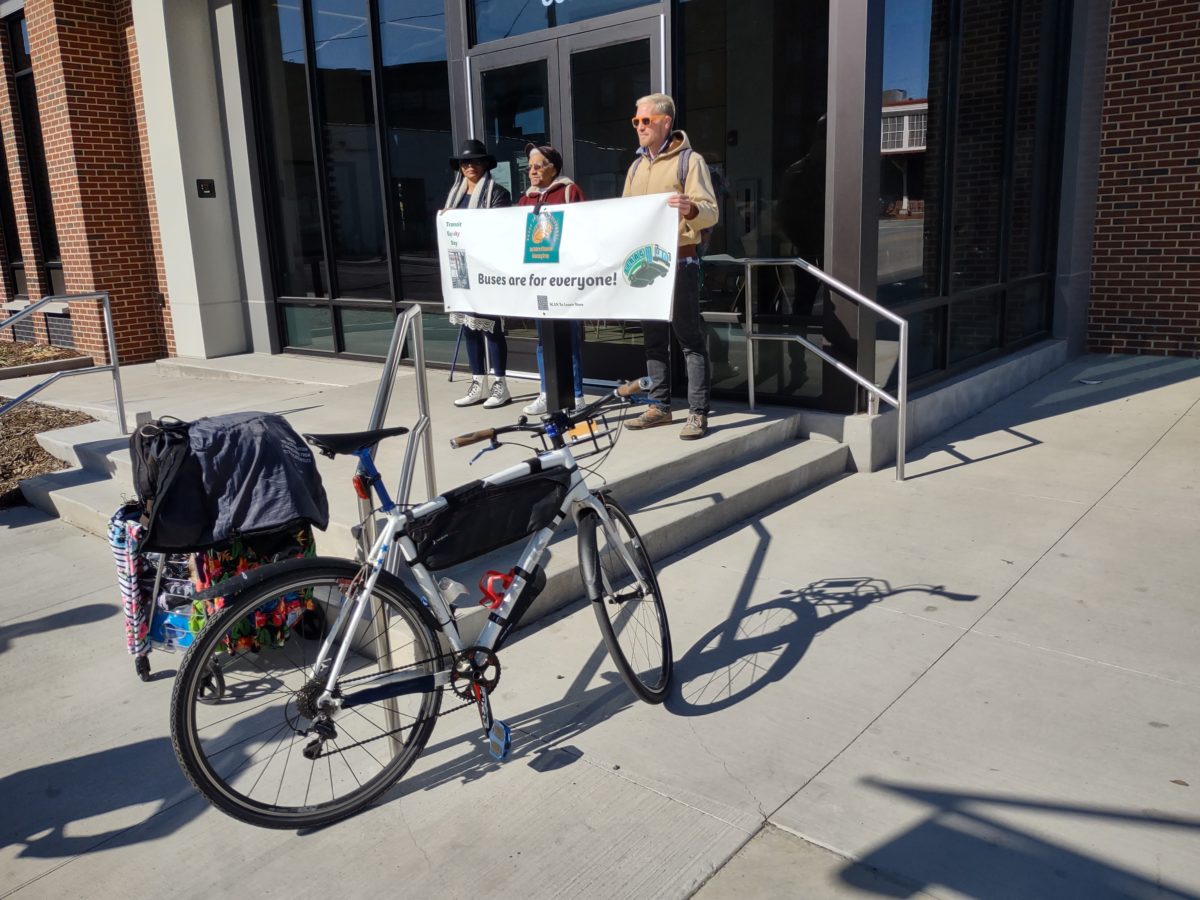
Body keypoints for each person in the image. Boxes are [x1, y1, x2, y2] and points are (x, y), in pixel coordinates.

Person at [622, 92, 719, 440]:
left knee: (689, 339)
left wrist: (691, 208)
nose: (639, 126)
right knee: (653, 341)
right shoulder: (636, 166)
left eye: (645, 120)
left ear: (665, 122)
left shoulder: (689, 161)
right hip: (644, 266)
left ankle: (697, 412)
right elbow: (625, 215)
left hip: (679, 262)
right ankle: (659, 407)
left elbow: (711, 211)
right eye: (636, 121)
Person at [516, 143, 587, 415]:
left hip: (564, 280)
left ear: (553, 169)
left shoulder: (569, 191)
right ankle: (547, 392)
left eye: (538, 166)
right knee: (544, 338)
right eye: (529, 167)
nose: (532, 171)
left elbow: (584, 228)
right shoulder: (526, 200)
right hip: (538, 282)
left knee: (568, 337)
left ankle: (576, 395)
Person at [444, 138, 513, 408]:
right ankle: (477, 382)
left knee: (491, 327)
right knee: (468, 326)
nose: (470, 166)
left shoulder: (497, 193)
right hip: (460, 266)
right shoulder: (455, 195)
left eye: (475, 161)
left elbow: (499, 229)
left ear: (485, 164)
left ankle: (500, 384)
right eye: (465, 162)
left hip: (485, 268)